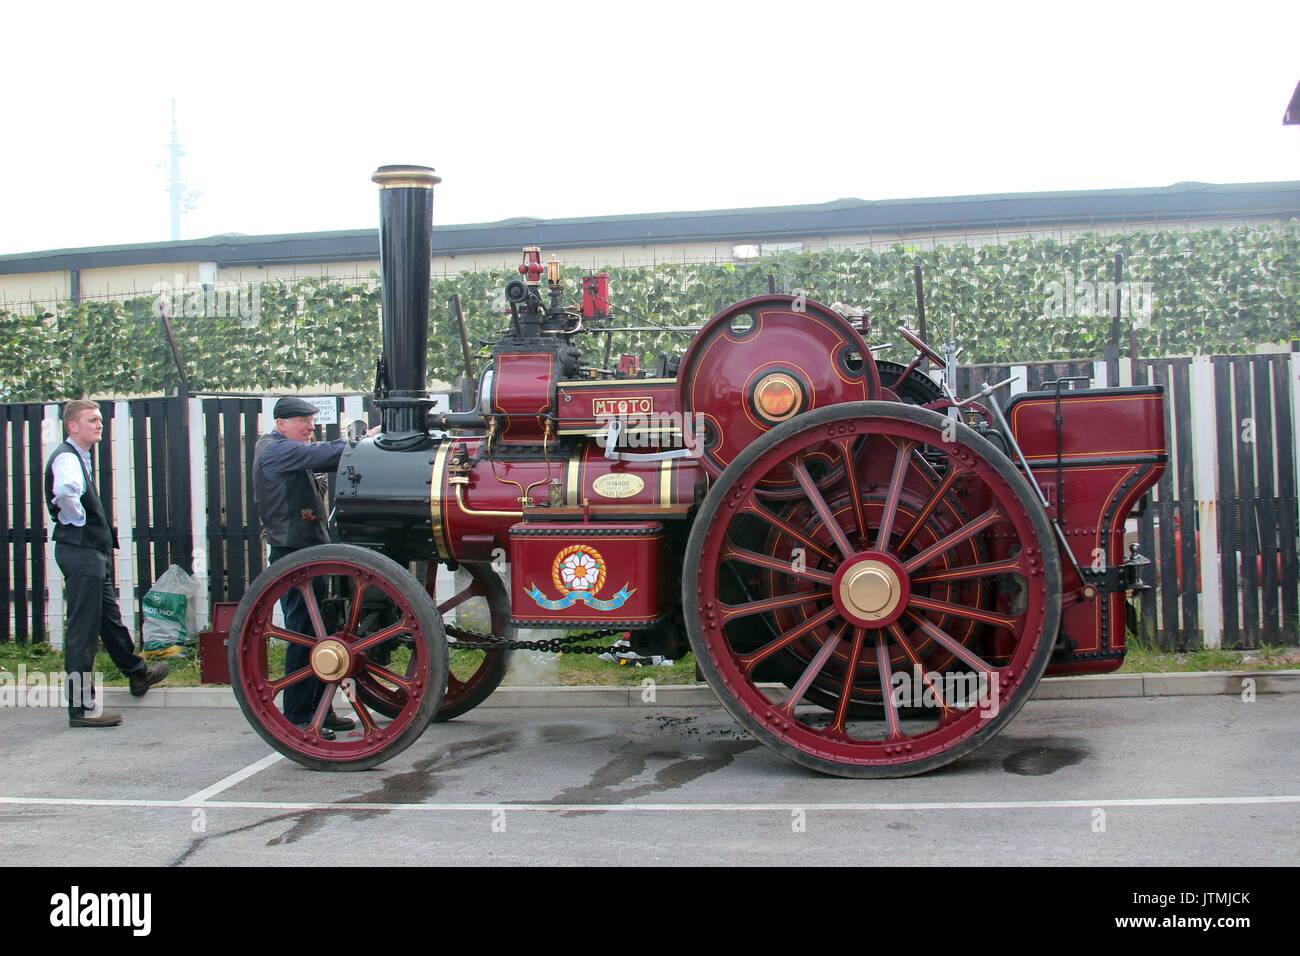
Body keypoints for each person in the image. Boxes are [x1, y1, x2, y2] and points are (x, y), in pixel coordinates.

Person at [254, 396, 379, 739]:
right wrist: (367, 442)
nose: (309, 427)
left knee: (320, 634)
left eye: (311, 421)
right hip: (291, 556)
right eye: (302, 422)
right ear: (281, 423)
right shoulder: (275, 450)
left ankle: (318, 710)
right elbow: (321, 454)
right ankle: (296, 717)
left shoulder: (285, 450)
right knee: (303, 634)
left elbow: (314, 476)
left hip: (308, 554)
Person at [45, 400, 168, 727]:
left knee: (109, 620)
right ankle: (81, 709)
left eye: (100, 419)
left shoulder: (78, 456)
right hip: (80, 551)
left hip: (88, 552)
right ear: (73, 425)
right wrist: (78, 519)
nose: (99, 424)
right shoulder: (67, 459)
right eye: (92, 420)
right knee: (82, 632)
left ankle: (137, 674)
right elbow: (65, 491)